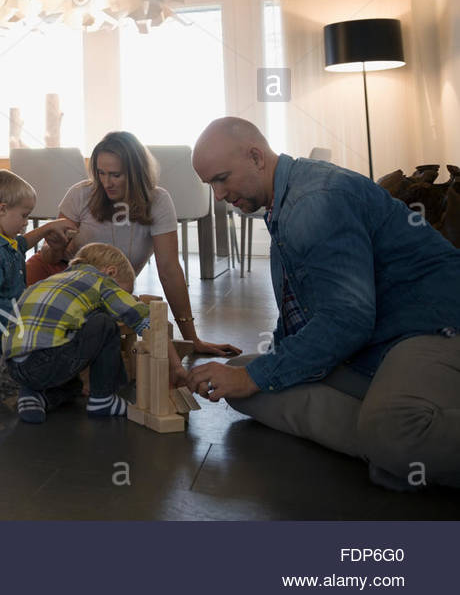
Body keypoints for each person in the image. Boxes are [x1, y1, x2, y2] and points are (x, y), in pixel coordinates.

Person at [188, 117, 460, 490]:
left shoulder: (313, 202)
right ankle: (395, 446)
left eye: (221, 179)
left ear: (256, 157)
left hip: (428, 329)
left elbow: (348, 319)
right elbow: (301, 317)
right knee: (238, 376)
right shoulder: (281, 206)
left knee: (391, 430)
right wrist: (249, 376)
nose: (218, 195)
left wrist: (255, 377)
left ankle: (394, 442)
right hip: (374, 344)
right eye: (210, 185)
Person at [53, 130, 239, 358]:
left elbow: (170, 272)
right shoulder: (80, 195)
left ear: (135, 172)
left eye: (115, 175)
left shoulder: (158, 202)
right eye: (101, 173)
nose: (106, 182)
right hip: (65, 286)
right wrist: (55, 245)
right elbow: (52, 258)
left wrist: (192, 339)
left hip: (108, 296)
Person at [3, 242, 150, 423]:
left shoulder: (52, 281)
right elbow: (135, 314)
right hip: (46, 361)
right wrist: (152, 326)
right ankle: (103, 400)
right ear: (110, 272)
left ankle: (34, 395)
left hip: (15, 367)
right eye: (123, 292)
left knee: (75, 386)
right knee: (105, 323)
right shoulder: (101, 281)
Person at [0, 170, 75, 357]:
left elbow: (22, 245)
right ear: (2, 209)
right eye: (24, 215)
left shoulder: (2, 239)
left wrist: (48, 228)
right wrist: (25, 315)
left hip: (4, 327)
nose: (26, 223)